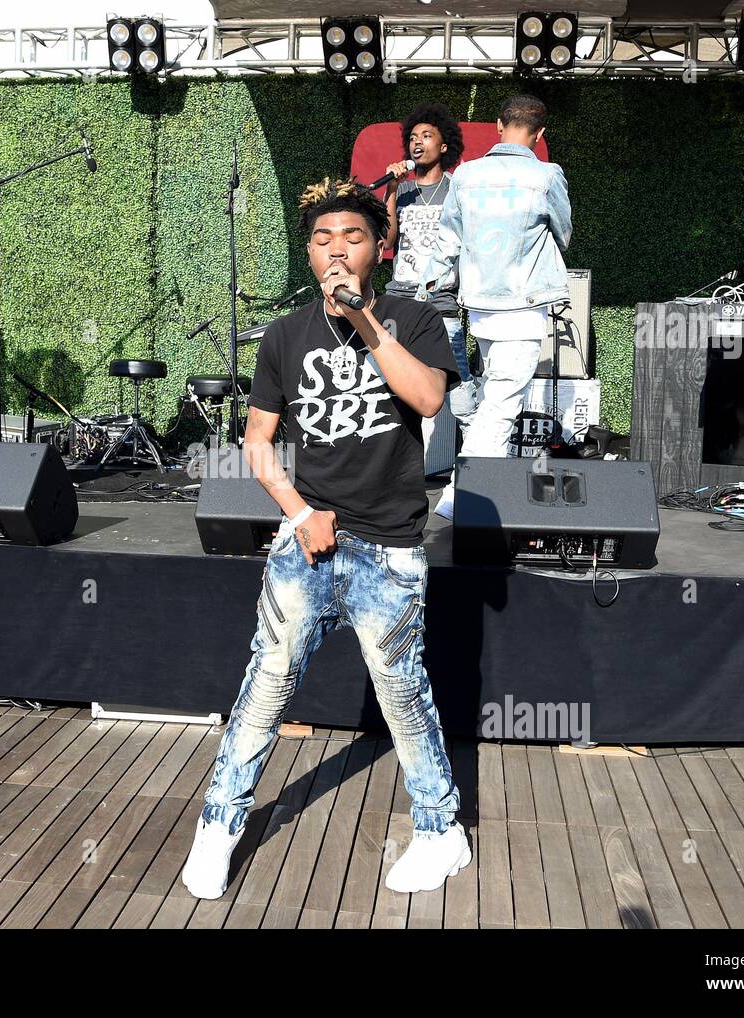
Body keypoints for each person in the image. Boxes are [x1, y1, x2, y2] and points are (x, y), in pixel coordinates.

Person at [181, 178, 470, 901]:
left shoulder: (414, 316)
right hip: (307, 539)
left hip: (392, 547)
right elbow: (257, 441)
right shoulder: (284, 335)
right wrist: (297, 509)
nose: (337, 249)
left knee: (405, 696)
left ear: (379, 248)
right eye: (321, 239)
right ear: (307, 253)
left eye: (352, 237)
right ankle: (219, 824)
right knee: (265, 686)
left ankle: (441, 833)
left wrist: (368, 324)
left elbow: (430, 400)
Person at [417, 94, 572, 520]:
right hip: (524, 305)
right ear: (540, 135)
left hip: (481, 306)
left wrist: (423, 291)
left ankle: (488, 490)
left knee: (494, 395)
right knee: (503, 401)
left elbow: (447, 241)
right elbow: (563, 232)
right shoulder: (546, 175)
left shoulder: (465, 175)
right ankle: (461, 496)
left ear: (499, 126)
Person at [382, 103, 479, 444]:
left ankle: (476, 465)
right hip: (399, 298)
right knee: (390, 384)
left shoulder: (457, 190)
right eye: (412, 137)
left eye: (426, 136)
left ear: (444, 146)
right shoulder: (403, 192)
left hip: (441, 299)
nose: (417, 142)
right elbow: (388, 242)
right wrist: (392, 190)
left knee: (460, 388)